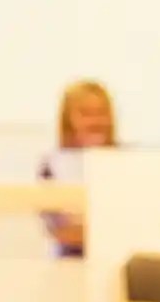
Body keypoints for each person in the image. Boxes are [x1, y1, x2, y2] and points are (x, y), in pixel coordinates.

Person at [38, 79, 118, 258]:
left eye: (102, 113)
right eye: (86, 114)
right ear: (68, 119)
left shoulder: (126, 162)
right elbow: (61, 231)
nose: (96, 122)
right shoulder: (51, 164)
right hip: (69, 263)